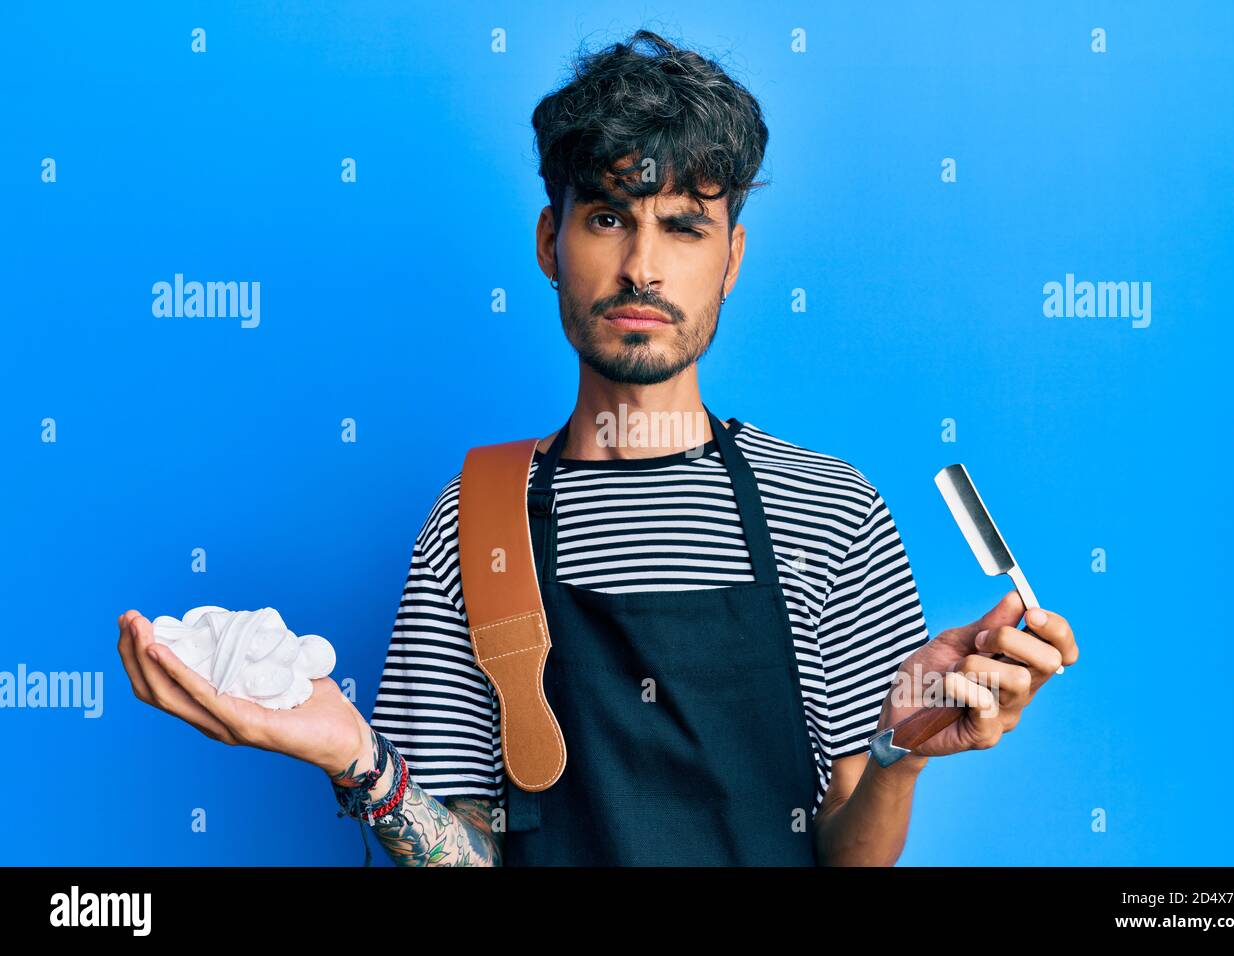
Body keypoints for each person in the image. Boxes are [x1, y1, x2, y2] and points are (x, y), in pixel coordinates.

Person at [117, 29, 1078, 867]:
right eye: (609, 216)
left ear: (733, 259)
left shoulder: (831, 509)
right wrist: (356, 761)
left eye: (685, 226)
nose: (642, 266)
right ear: (550, 241)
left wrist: (903, 756)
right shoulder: (476, 519)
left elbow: (848, 853)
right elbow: (470, 856)